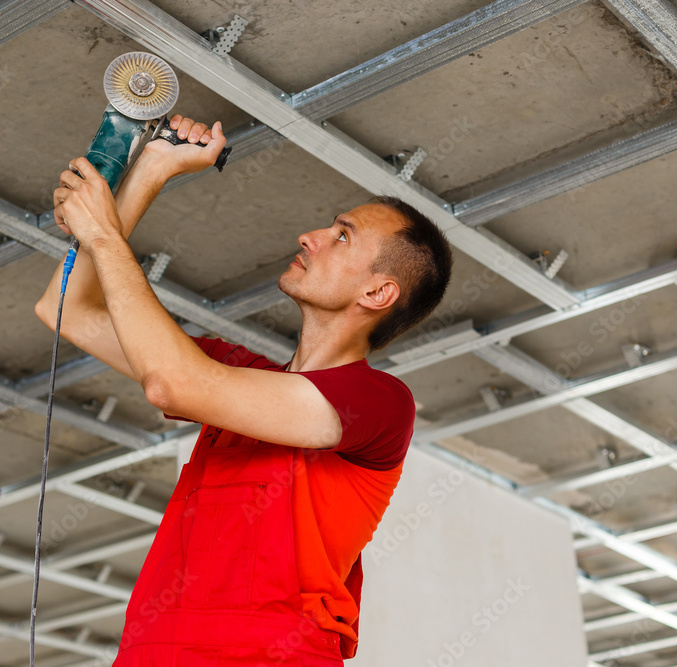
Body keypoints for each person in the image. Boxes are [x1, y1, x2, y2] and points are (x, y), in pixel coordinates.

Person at [35, 114, 453, 666]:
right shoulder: (231, 375)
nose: (312, 236)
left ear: (378, 291)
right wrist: (151, 170)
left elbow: (171, 384)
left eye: (342, 236)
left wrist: (104, 234)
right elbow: (67, 310)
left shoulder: (378, 403)